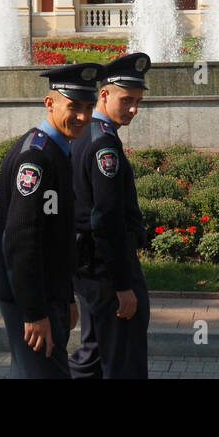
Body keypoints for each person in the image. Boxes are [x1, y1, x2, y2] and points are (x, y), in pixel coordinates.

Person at [0, 62, 99, 378]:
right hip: (32, 297)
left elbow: (56, 234)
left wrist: (66, 296)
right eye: (74, 106)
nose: (83, 116)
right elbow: (22, 239)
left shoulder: (55, 149)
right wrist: (35, 312)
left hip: (47, 293)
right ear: (49, 103)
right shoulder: (36, 157)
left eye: (89, 107)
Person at [70, 53, 151, 380]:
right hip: (108, 272)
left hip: (87, 269)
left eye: (138, 102)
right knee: (123, 361)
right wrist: (123, 285)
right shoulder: (104, 145)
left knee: (92, 355)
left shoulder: (82, 133)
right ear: (103, 94)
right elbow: (105, 218)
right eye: (127, 100)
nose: (133, 109)